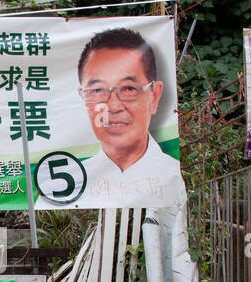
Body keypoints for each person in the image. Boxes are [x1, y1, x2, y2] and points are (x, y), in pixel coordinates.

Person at [75, 28, 184, 207]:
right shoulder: (67, 184)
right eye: (97, 90)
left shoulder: (171, 177)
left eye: (129, 89)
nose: (114, 107)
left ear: (155, 96)